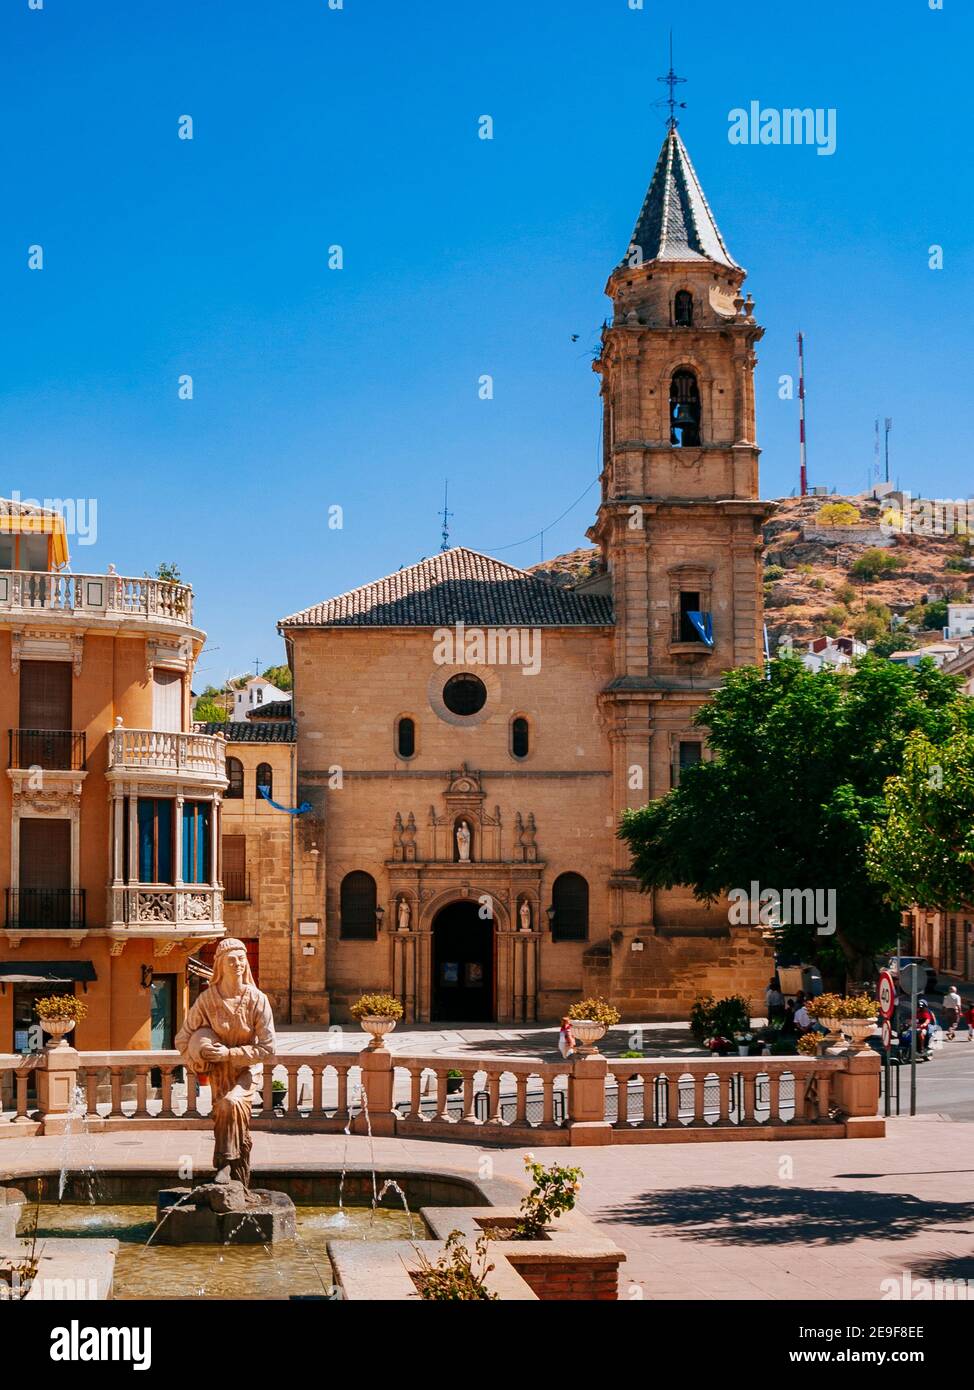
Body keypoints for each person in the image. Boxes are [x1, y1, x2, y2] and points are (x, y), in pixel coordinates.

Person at [175, 937, 275, 1188]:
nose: (238, 963)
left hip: (246, 1070)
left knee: (232, 1104)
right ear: (220, 964)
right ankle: (238, 1180)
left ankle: (224, 1164)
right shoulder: (207, 1000)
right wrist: (198, 1056)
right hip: (219, 1072)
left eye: (242, 958)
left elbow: (268, 1047)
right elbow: (182, 1039)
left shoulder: (257, 999)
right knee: (224, 1113)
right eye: (231, 959)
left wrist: (230, 1055)